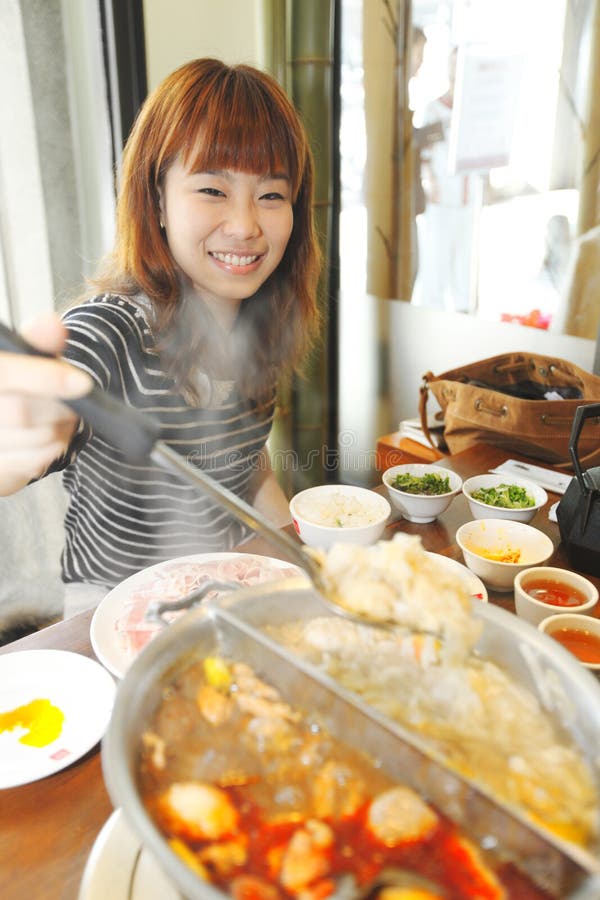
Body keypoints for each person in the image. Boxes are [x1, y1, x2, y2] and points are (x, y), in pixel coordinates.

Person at [0, 58, 321, 619]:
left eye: (271, 195)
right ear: (157, 200)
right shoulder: (112, 331)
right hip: (110, 618)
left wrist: (302, 559)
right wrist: (16, 437)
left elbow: (247, 464)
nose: (246, 224)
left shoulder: (259, 328)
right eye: (212, 189)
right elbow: (23, 428)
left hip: (220, 601)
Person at [413, 47, 478, 313]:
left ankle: (463, 313)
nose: (456, 71)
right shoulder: (433, 109)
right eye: (453, 65)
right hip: (440, 200)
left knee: (464, 266)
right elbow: (423, 153)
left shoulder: (474, 108)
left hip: (468, 198)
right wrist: (431, 184)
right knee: (436, 264)